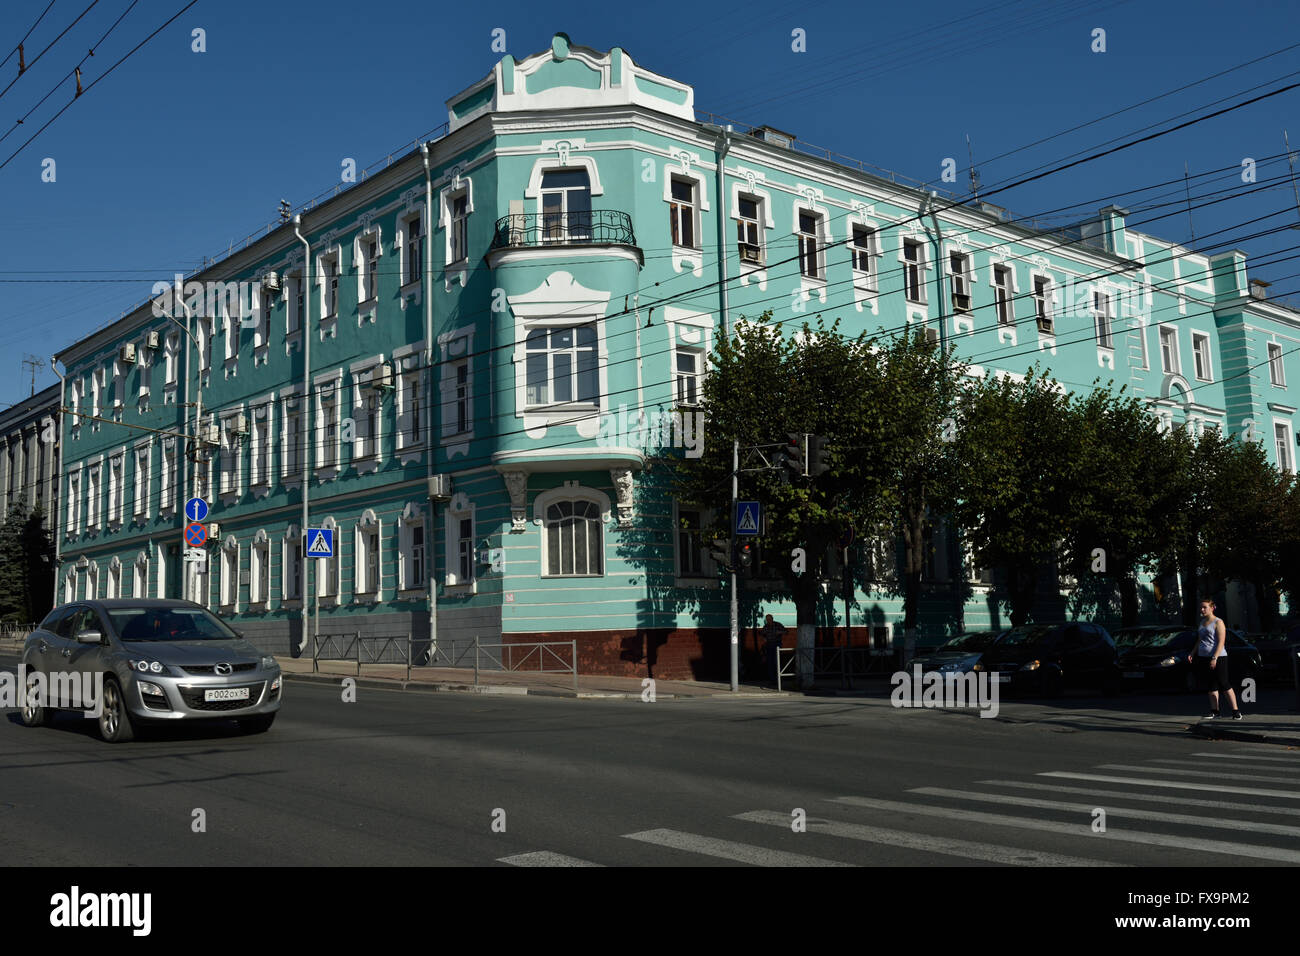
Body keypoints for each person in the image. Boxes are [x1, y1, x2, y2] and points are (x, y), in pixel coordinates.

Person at [1186, 597, 1241, 720]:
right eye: (1201, 607)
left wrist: (1214, 658)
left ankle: (1236, 711)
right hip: (1203, 656)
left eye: (1204, 607)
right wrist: (1193, 653)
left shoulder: (1218, 622)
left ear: (1212, 608)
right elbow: (1200, 640)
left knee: (1223, 683)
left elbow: (1221, 642)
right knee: (1211, 684)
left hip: (1218, 657)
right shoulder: (1202, 622)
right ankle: (1215, 711)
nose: (1202, 609)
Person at [761, 614, 787, 685]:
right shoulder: (766, 626)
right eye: (767, 619)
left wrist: (780, 632)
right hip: (769, 645)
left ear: (772, 618)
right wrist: (764, 638)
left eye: (769, 619)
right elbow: (762, 634)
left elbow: (786, 632)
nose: (768, 620)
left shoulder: (778, 624)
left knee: (777, 662)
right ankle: (772, 680)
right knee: (770, 663)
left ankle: (779, 679)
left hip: (777, 645)